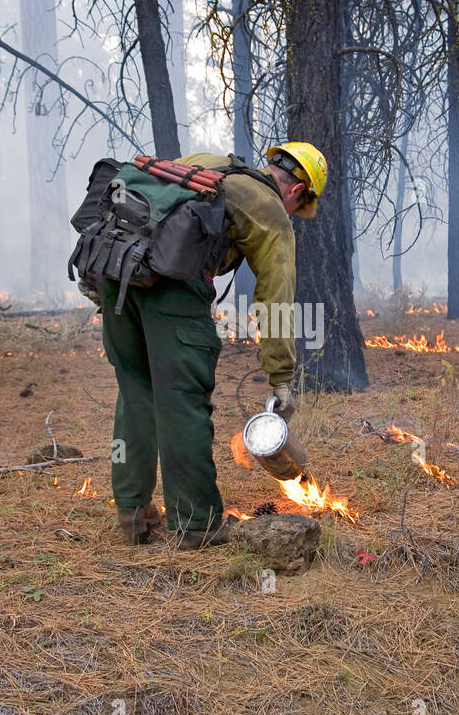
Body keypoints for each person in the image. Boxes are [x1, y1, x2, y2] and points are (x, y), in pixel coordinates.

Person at [93, 142, 326, 548]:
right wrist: (282, 379)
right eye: (299, 207)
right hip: (173, 289)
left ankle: (133, 513)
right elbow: (275, 302)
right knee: (183, 403)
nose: (294, 215)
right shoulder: (271, 211)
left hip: (116, 276)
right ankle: (197, 524)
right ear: (297, 190)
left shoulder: (206, 165)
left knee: (137, 393)